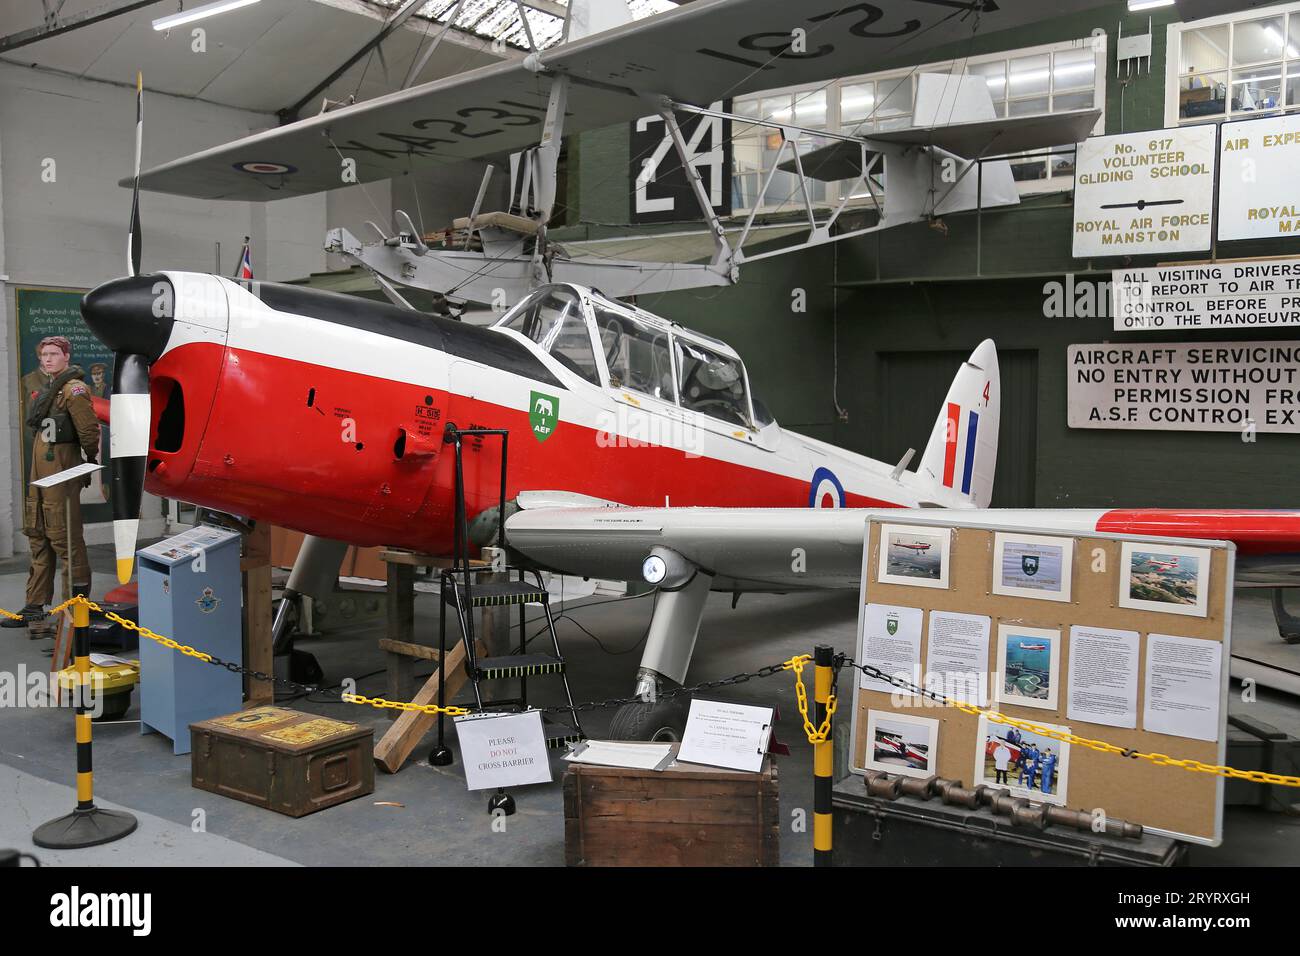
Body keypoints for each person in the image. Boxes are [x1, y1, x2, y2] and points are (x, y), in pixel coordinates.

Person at [3, 336, 100, 630]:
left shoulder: (74, 390)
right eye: (44, 355)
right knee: (38, 535)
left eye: (54, 354)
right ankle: (35, 605)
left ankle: (75, 611)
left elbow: (89, 431)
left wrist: (88, 461)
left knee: (65, 538)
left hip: (61, 473)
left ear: (66, 356)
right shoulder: (48, 390)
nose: (48, 359)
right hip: (40, 476)